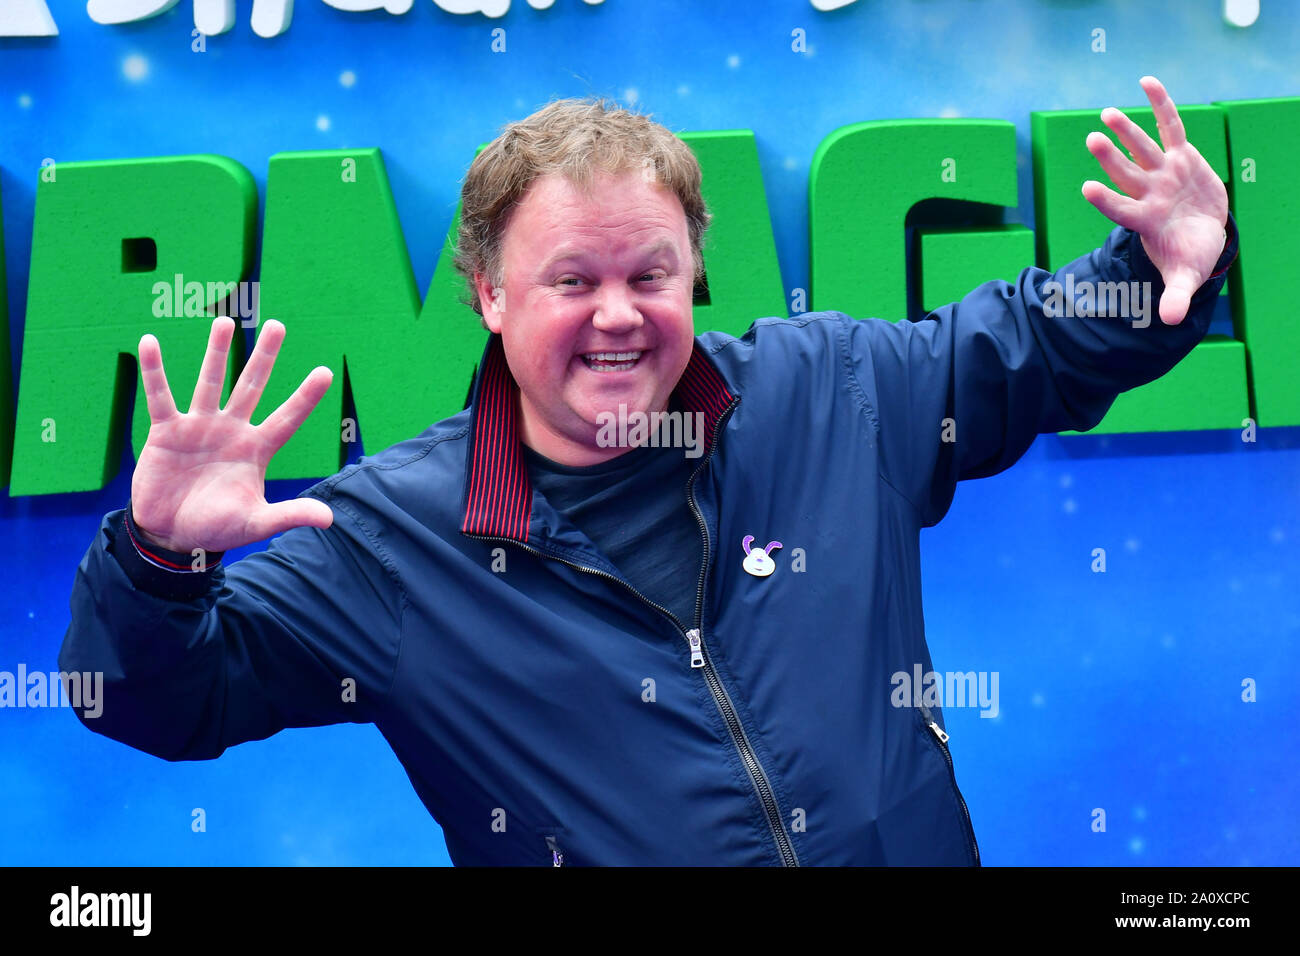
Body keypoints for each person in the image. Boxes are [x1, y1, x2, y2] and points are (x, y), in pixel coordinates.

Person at [60, 77, 1238, 865]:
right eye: (573, 279)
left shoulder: (830, 392)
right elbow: (156, 702)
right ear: (490, 294)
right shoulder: (383, 537)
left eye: (651, 275)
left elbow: (1023, 344)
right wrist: (161, 560)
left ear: (692, 276)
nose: (617, 316)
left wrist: (1157, 264)